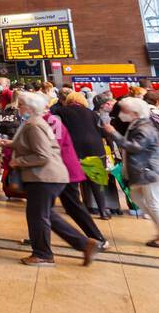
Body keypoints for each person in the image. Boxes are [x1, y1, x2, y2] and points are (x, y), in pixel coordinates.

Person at [8, 91, 98, 268]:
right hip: (49, 176)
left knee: (38, 216)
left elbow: (42, 155)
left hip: (44, 176)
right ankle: (84, 244)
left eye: (21, 105)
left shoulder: (33, 125)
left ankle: (43, 254)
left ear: (29, 107)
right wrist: (9, 144)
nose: (18, 108)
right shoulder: (37, 122)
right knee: (46, 214)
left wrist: (16, 161)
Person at [102, 97, 159, 248]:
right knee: (137, 197)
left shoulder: (144, 127)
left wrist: (113, 133)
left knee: (154, 204)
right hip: (145, 171)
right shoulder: (137, 124)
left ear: (135, 113)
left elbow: (134, 147)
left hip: (150, 171)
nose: (121, 114)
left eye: (124, 111)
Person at [43, 100, 108, 249]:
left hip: (62, 168)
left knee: (67, 206)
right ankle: (39, 239)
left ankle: (94, 240)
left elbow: (55, 144)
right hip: (64, 165)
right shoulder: (89, 113)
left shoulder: (53, 119)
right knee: (46, 208)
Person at [54, 91, 113, 220]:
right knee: (97, 182)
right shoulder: (93, 114)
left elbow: (57, 132)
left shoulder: (60, 111)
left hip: (73, 148)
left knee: (74, 180)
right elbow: (103, 132)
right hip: (95, 149)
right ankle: (103, 211)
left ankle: (77, 209)